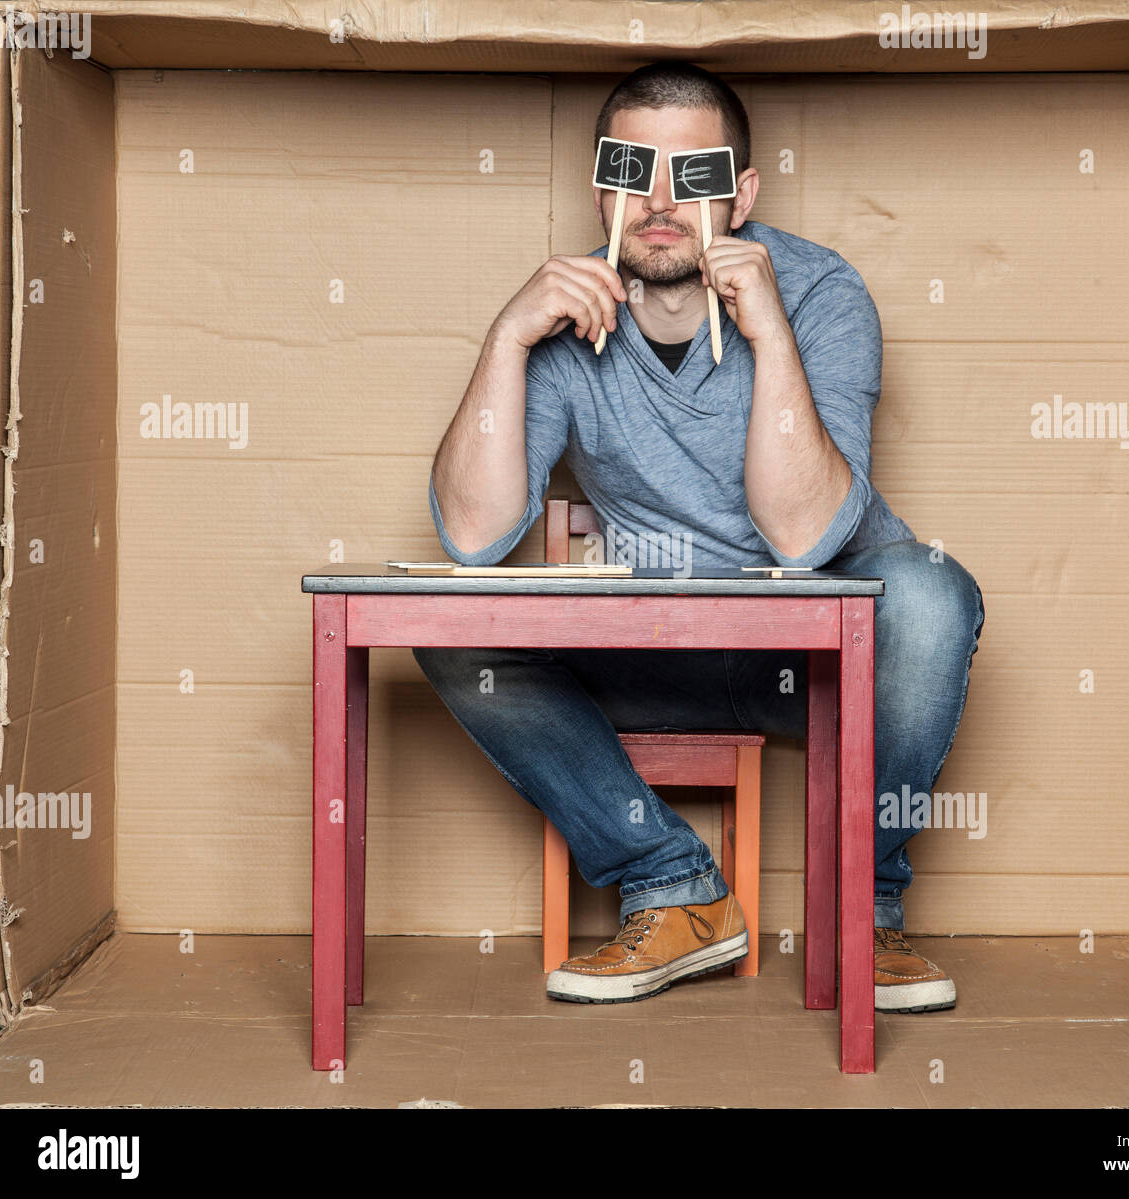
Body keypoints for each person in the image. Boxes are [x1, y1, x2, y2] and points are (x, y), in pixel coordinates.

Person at [415, 60, 984, 1013]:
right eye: (634, 172)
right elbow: (473, 536)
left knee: (931, 591)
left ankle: (864, 915)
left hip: (824, 649)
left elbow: (803, 534)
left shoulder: (820, 294)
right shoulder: (565, 316)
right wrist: (507, 338)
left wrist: (769, 335)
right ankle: (675, 886)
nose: (662, 202)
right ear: (602, 188)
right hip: (655, 641)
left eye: (696, 173)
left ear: (743, 192)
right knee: (444, 620)